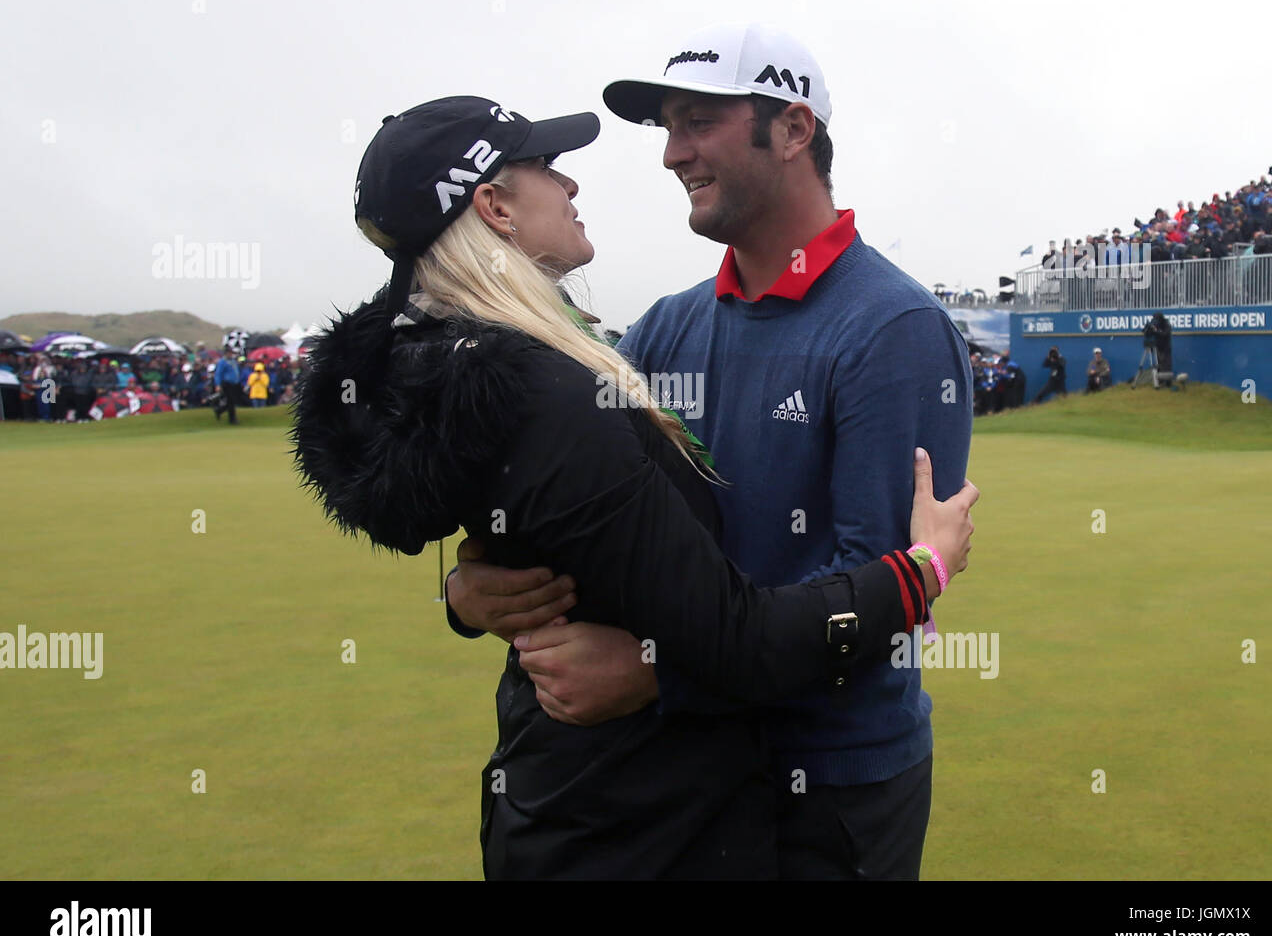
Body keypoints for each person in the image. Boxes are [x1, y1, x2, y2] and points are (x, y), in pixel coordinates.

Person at [290, 95, 978, 881]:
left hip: (765, 779)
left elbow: (531, 540)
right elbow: (735, 635)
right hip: (639, 808)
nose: (668, 154)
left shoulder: (893, 326)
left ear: (794, 130)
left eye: (697, 124)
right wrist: (926, 569)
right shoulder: (577, 374)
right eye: (547, 166)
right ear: (493, 206)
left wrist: (469, 596)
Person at [213, 349, 241, 424]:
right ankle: (232, 419)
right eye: (229, 353)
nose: (231, 354)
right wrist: (218, 384)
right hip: (227, 383)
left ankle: (220, 410)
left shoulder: (233, 361)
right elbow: (218, 374)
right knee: (231, 401)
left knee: (233, 401)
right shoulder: (222, 362)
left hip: (235, 383)